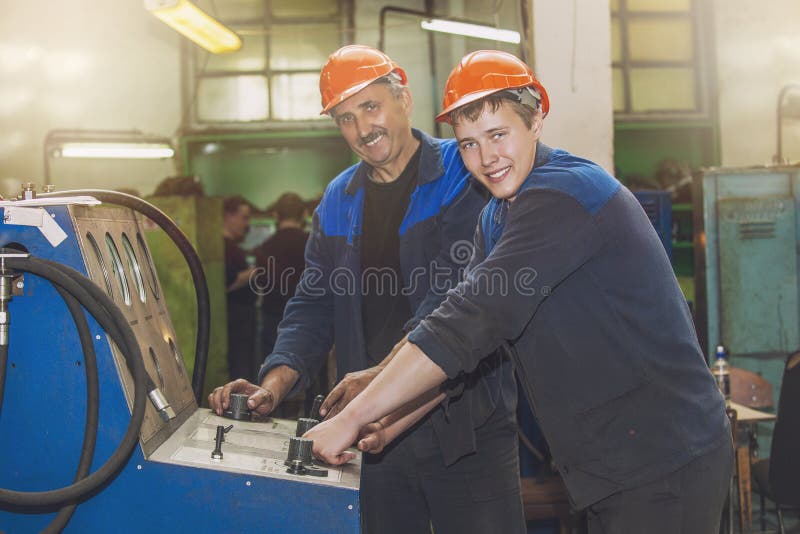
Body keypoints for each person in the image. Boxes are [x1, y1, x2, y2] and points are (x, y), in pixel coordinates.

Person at [308, 50, 734, 534]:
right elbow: (471, 343)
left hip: (663, 456)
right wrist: (391, 423)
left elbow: (471, 320)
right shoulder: (497, 216)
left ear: (535, 120)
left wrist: (352, 418)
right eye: (468, 144)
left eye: (498, 135)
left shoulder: (563, 195)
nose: (486, 158)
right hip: (610, 463)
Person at [209, 45, 525, 534]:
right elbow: (313, 303)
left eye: (371, 107)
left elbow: (450, 300)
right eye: (345, 118)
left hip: (464, 424)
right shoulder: (339, 198)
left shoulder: (463, 173)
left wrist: (377, 386)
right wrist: (272, 387)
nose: (362, 129)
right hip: (371, 438)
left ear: (405, 100)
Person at [252, 193, 309, 385]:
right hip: (308, 319)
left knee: (271, 373)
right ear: (304, 214)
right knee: (309, 373)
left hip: (273, 317)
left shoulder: (264, 248)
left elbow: (261, 282)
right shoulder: (313, 245)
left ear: (276, 215)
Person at [222, 195, 257, 381]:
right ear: (229, 216)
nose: (247, 224)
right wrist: (254, 272)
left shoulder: (232, 247)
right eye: (244, 218)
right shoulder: (225, 248)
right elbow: (226, 283)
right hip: (235, 321)